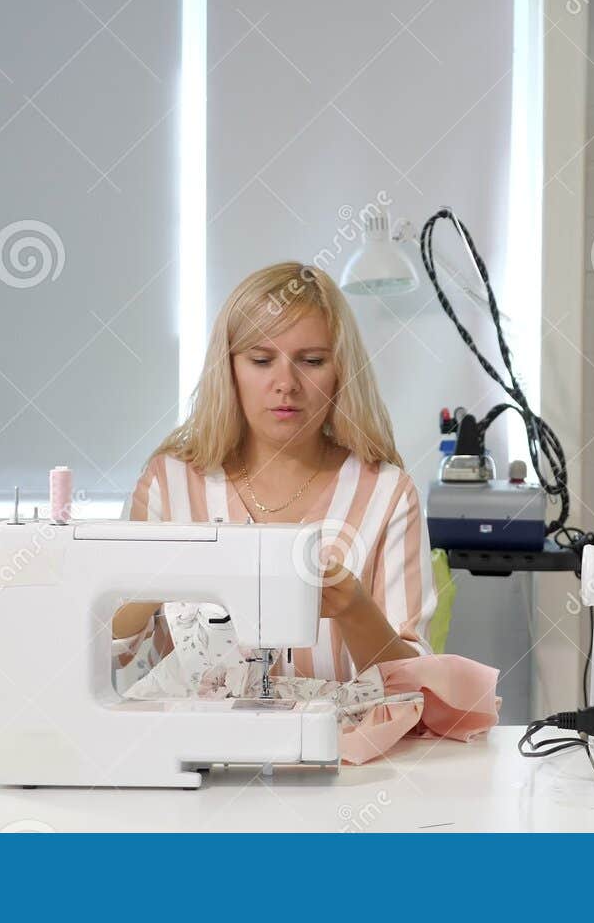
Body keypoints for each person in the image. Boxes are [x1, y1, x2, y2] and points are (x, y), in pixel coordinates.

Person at [111, 261, 437, 695]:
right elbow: (111, 651)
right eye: (261, 360)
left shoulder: (387, 494)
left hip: (343, 738)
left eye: (312, 361)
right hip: (191, 737)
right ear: (229, 369)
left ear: (341, 370)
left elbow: (413, 686)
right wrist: (158, 578)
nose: (286, 383)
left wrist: (355, 610)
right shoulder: (170, 485)